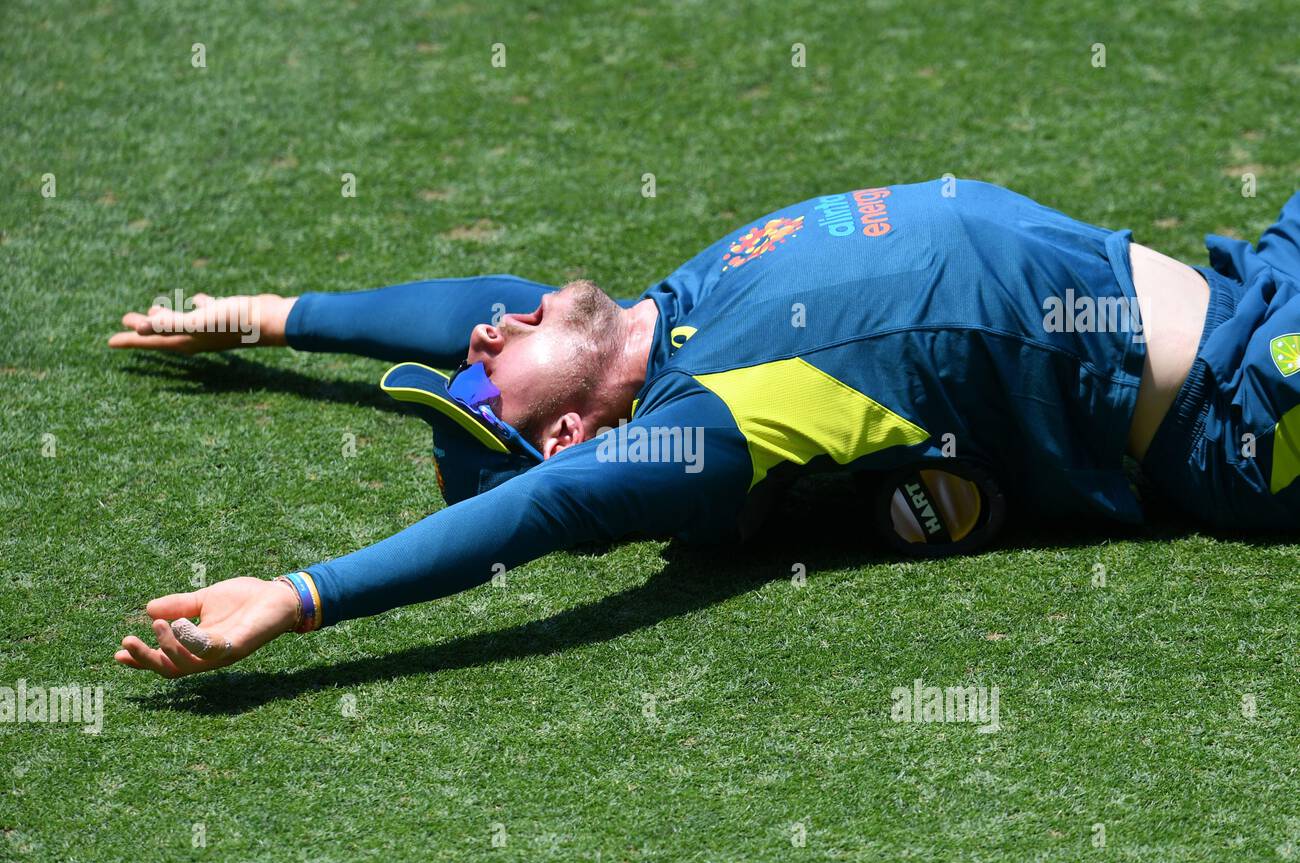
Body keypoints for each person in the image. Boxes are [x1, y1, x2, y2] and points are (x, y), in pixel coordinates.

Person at [107, 179, 1300, 678]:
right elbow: (544, 508)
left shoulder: (663, 312)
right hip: (1247, 410)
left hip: (1248, 279)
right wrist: (302, 595)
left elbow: (454, 315)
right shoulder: (702, 427)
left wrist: (265, 318)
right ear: (572, 432)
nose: (481, 335)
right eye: (482, 381)